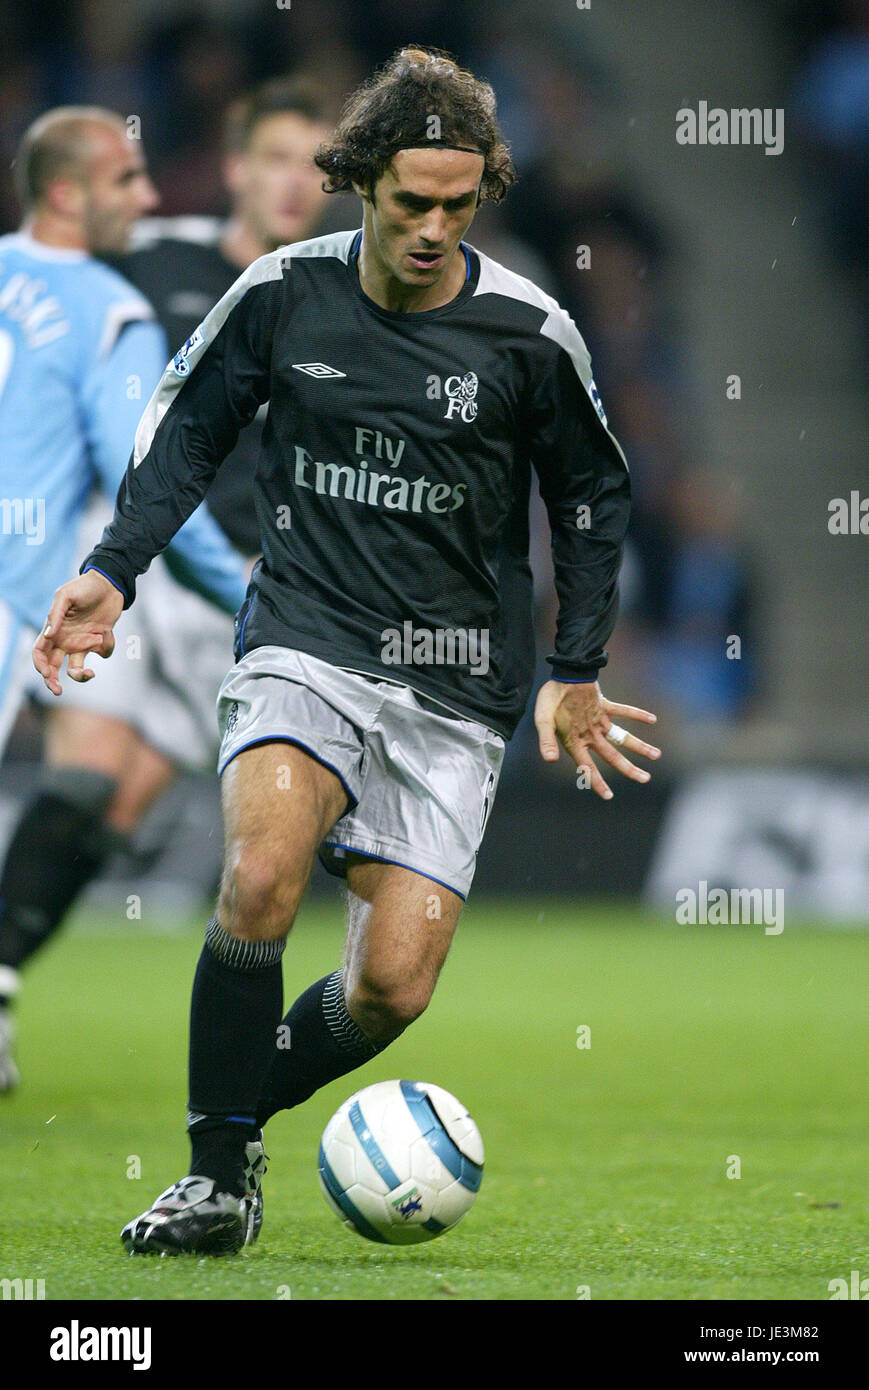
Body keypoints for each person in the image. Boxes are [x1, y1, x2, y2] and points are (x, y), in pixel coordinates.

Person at [34, 49, 661, 1257]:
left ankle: (231, 1112)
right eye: (408, 201)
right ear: (358, 180)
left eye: (457, 205)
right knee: (260, 874)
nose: (431, 227)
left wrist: (571, 667)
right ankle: (216, 1183)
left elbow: (592, 499)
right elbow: (187, 439)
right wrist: (112, 571)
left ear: (480, 195)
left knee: (392, 988)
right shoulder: (281, 293)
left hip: (456, 682)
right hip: (305, 640)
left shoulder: (530, 335)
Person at [0, 80, 334, 1092]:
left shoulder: (333, 293)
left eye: (315, 167)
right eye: (275, 156)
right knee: (91, 768)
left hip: (255, 591)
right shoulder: (151, 261)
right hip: (149, 570)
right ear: (235, 167)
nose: (292, 183)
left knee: (120, 806)